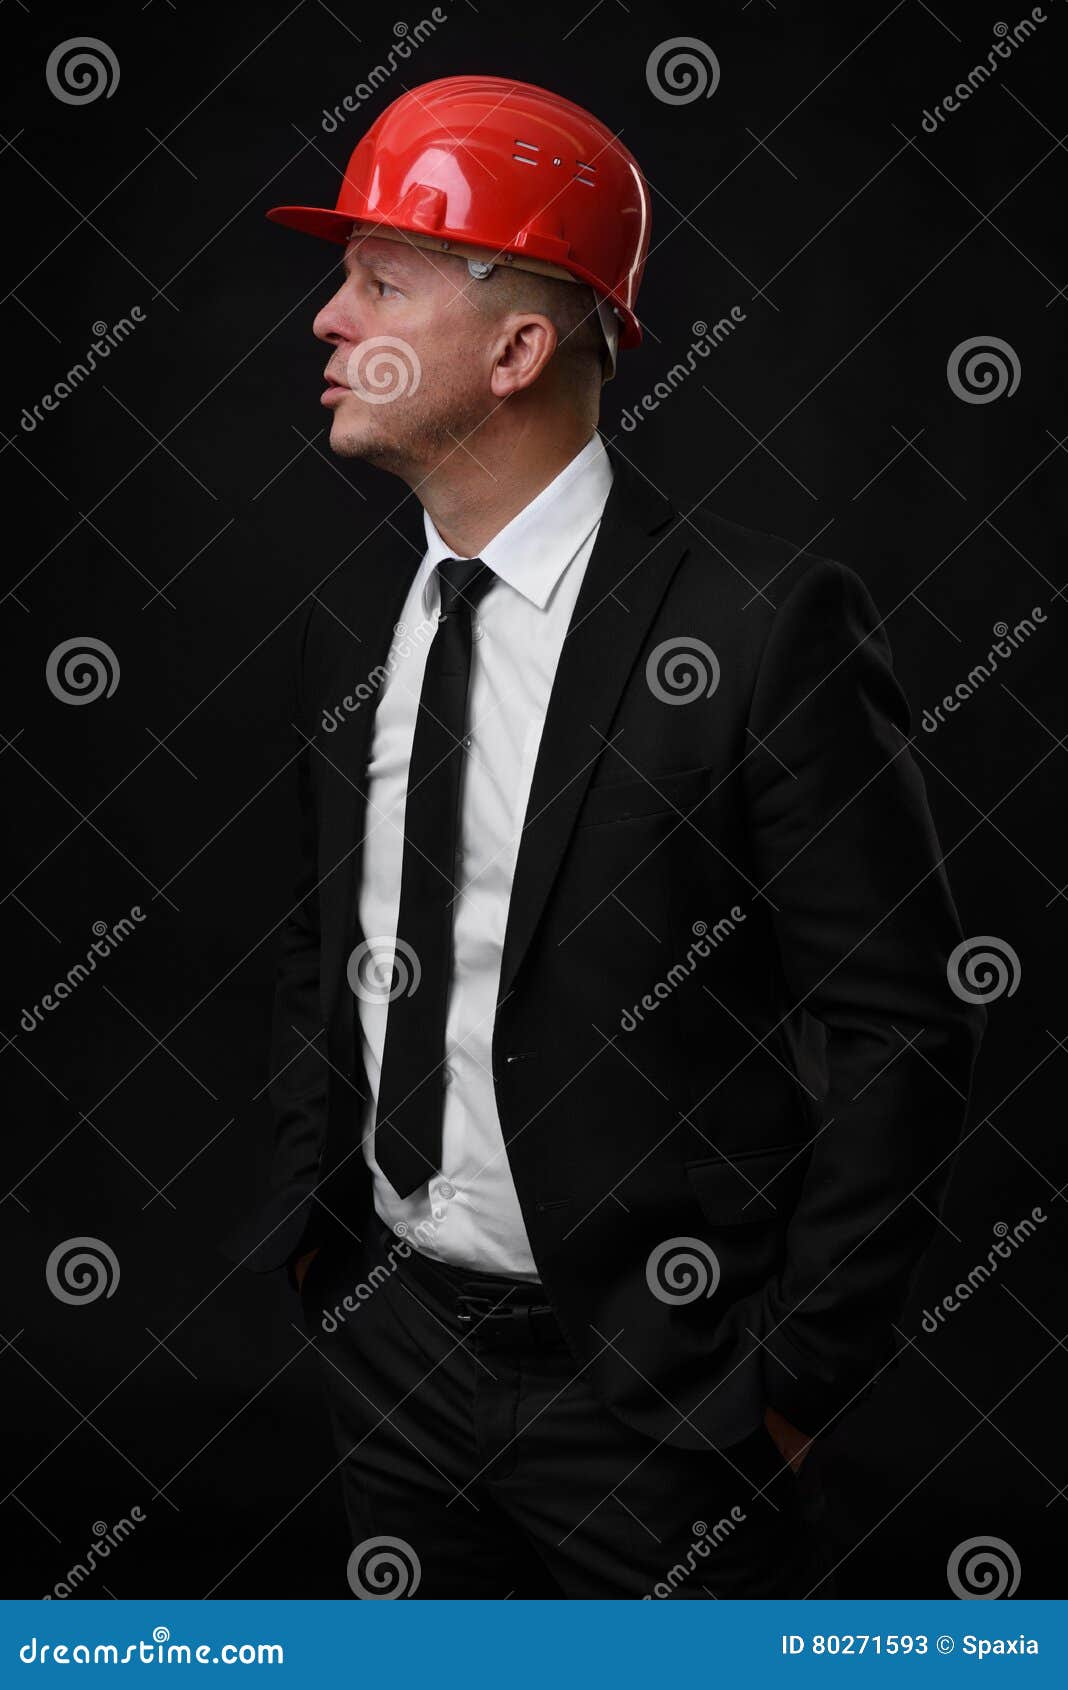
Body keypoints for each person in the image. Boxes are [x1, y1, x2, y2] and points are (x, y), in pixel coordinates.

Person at [225, 75, 986, 1598]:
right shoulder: (347, 632)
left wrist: (785, 1382)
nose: (325, 317)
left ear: (516, 348)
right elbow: (329, 937)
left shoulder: (759, 629)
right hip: (394, 1358)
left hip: (659, 1401)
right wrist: (323, 1253)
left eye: (380, 281)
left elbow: (904, 1020)